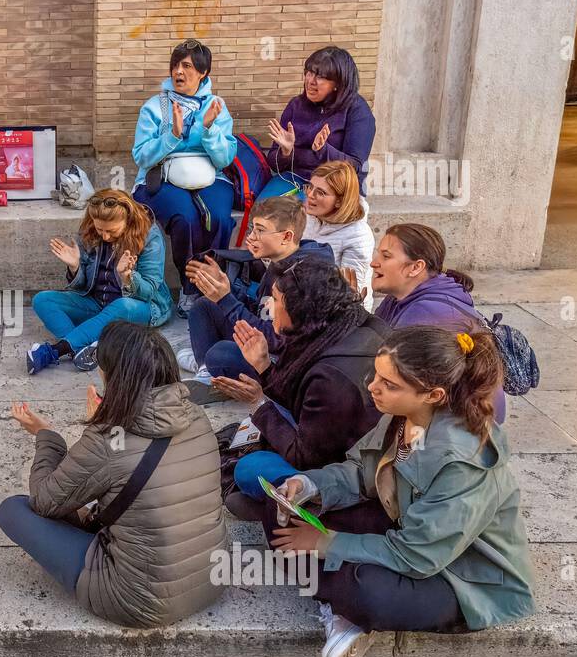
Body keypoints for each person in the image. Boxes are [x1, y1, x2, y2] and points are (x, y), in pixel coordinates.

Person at [268, 326, 534, 657]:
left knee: (368, 592)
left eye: (389, 384)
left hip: (461, 578)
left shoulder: (461, 460)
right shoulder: (402, 417)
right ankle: (339, 605)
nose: (372, 387)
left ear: (433, 394)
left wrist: (327, 543)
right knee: (279, 514)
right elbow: (362, 474)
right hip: (404, 527)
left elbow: (420, 556)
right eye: (376, 376)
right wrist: (308, 485)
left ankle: (344, 610)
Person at [0, 321, 227, 628]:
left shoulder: (107, 439)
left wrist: (48, 435)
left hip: (140, 601)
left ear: (112, 376)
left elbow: (44, 501)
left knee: (12, 510)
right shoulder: (197, 416)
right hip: (212, 578)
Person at [212, 258, 387, 508]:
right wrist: (263, 365)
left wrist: (258, 403)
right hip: (330, 434)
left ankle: (301, 506)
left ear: (300, 308)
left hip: (347, 467)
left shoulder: (330, 378)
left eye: (275, 299)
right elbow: (299, 398)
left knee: (250, 469)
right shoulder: (346, 322)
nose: (270, 308)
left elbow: (305, 457)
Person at [181, 194, 333, 399]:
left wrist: (226, 299)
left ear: (286, 236)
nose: (251, 237)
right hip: (264, 340)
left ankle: (214, 368)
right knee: (205, 306)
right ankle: (207, 372)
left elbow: (277, 341)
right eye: (253, 228)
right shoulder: (278, 260)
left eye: (260, 231)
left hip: (282, 362)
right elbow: (260, 310)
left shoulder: (303, 277)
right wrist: (224, 289)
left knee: (220, 353)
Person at [131, 39, 238, 317]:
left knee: (219, 218)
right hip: (163, 175)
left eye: (187, 66)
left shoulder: (216, 107)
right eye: (175, 65)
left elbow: (225, 158)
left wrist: (209, 129)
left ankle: (212, 284)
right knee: (186, 218)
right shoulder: (155, 107)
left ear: (203, 72)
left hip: (208, 173)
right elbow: (141, 156)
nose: (178, 71)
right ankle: (190, 290)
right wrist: (173, 136)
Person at [370, 223, 505, 422]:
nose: (374, 263)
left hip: (462, 426)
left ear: (416, 267)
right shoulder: (398, 297)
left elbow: (392, 376)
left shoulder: (426, 314)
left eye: (386, 256)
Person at [27, 189, 171, 374]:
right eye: (100, 229)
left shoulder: (149, 236)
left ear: (128, 221)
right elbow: (83, 287)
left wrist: (128, 277)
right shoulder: (89, 231)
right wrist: (75, 267)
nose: (105, 236)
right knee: (42, 300)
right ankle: (81, 351)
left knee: (122, 306)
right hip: (97, 303)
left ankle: (56, 351)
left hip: (140, 308)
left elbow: (149, 291)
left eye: (111, 231)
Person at [263, 45, 376, 199]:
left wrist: (323, 151)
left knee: (296, 215)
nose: (311, 81)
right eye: (309, 73)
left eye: (320, 76)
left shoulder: (357, 110)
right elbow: (274, 164)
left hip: (334, 183)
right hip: (295, 178)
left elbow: (354, 165)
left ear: (338, 83)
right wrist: (286, 152)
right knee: (262, 211)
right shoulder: (296, 105)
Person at [301, 160, 375, 308]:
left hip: (335, 313)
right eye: (310, 187)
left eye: (320, 192)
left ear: (340, 202)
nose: (310, 195)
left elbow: (349, 295)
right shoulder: (312, 217)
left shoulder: (358, 237)